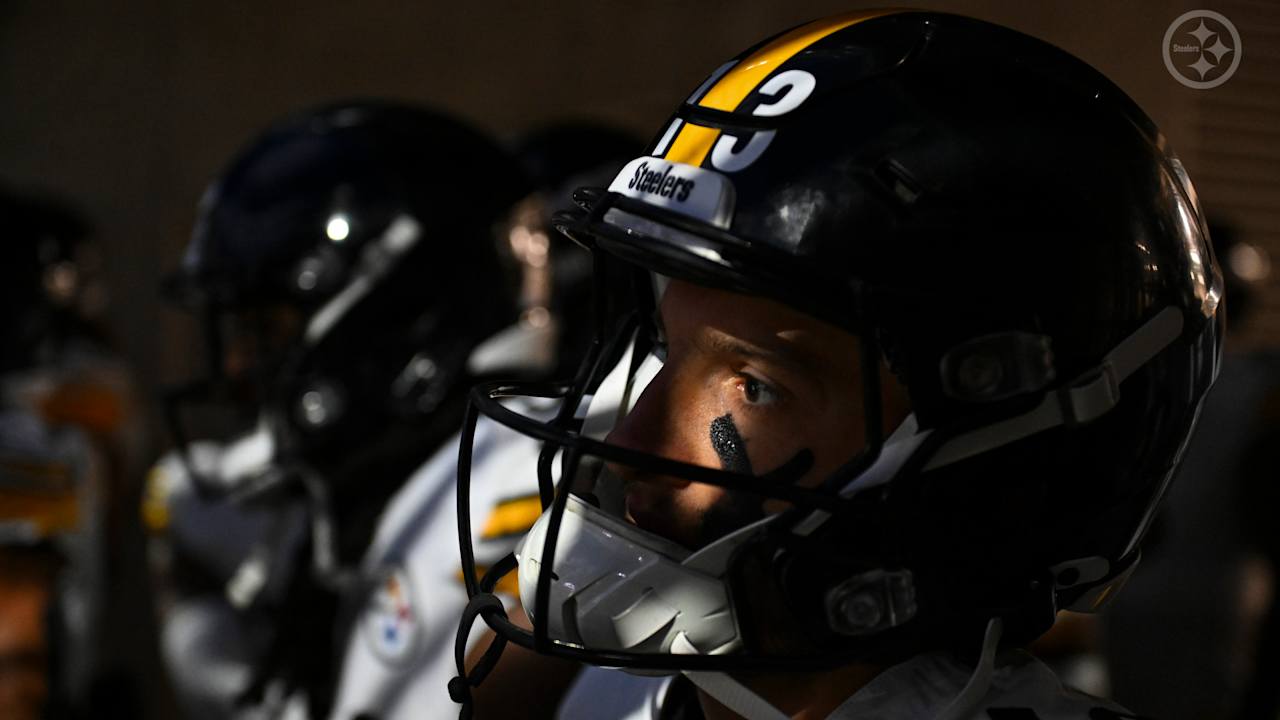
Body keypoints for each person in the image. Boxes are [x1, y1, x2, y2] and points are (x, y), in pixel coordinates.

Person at [451, 9, 1223, 720]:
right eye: (665, 346)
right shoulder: (628, 692)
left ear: (996, 469)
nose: (629, 446)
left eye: (756, 387)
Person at [144, 100, 545, 720]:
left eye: (267, 330)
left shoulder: (515, 481)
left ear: (391, 317)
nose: (238, 368)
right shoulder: (368, 482)